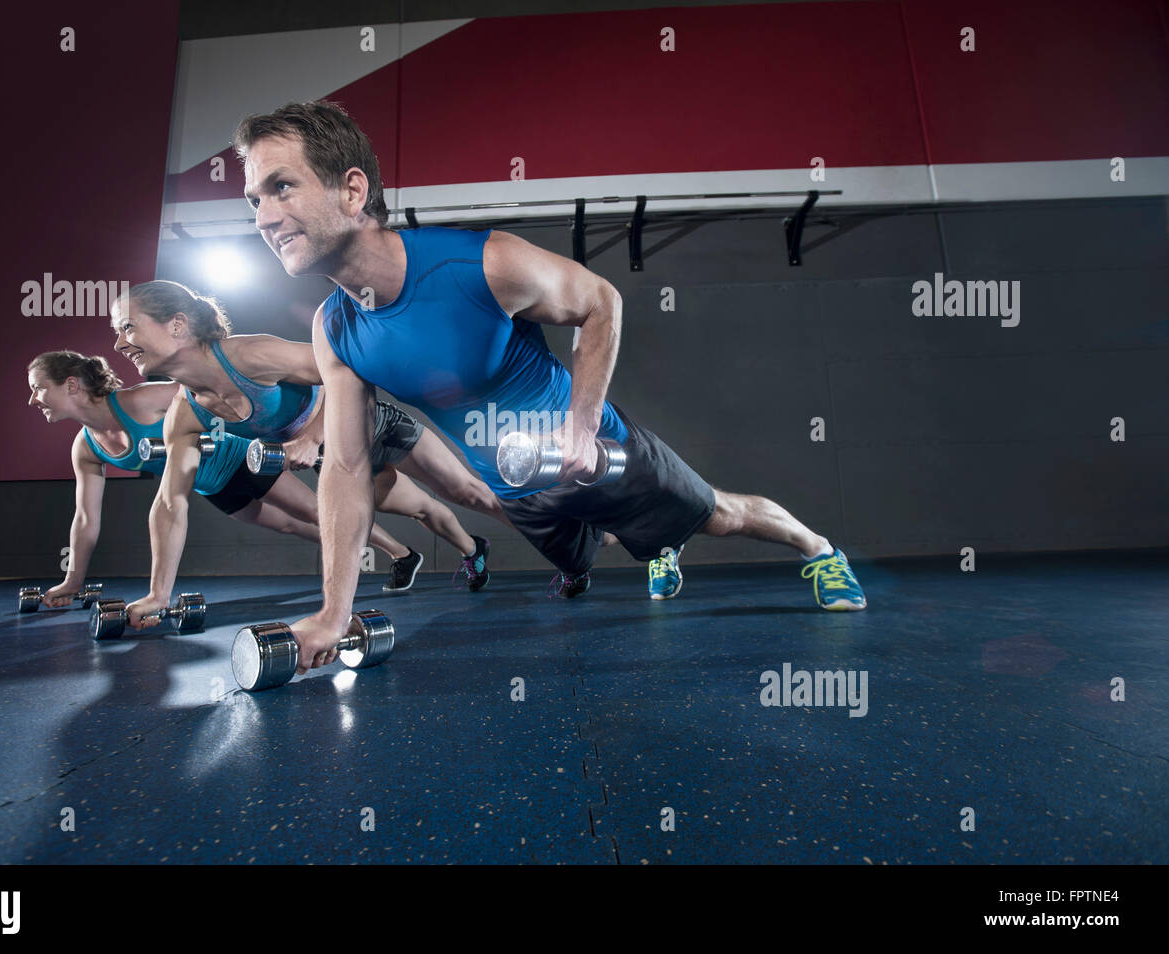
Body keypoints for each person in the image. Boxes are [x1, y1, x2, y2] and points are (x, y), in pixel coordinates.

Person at [231, 100, 868, 672]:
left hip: (598, 456)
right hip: (520, 493)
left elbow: (601, 302)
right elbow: (345, 465)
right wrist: (332, 615)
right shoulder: (334, 329)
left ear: (351, 190)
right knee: (578, 564)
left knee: (720, 516)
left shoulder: (480, 263)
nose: (263, 216)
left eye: (280, 187)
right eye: (253, 199)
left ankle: (817, 549)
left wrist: (582, 426)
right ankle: (650, 548)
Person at [109, 280, 507, 601]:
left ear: (176, 325)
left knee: (469, 493)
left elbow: (347, 369)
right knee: (421, 510)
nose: (119, 344)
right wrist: (158, 595)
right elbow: (169, 503)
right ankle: (474, 551)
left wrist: (313, 438)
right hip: (337, 460)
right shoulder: (183, 415)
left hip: (374, 426)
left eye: (128, 327)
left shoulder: (247, 355)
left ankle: (563, 545)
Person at [26, 351, 423, 627]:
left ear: (72, 385)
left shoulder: (143, 400)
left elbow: (210, 399)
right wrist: (73, 581)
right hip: (209, 486)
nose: (33, 399)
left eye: (38, 388)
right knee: (290, 527)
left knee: (319, 512)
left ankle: (401, 553)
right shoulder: (86, 446)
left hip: (238, 460)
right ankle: (357, 549)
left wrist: (270, 432)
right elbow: (84, 518)